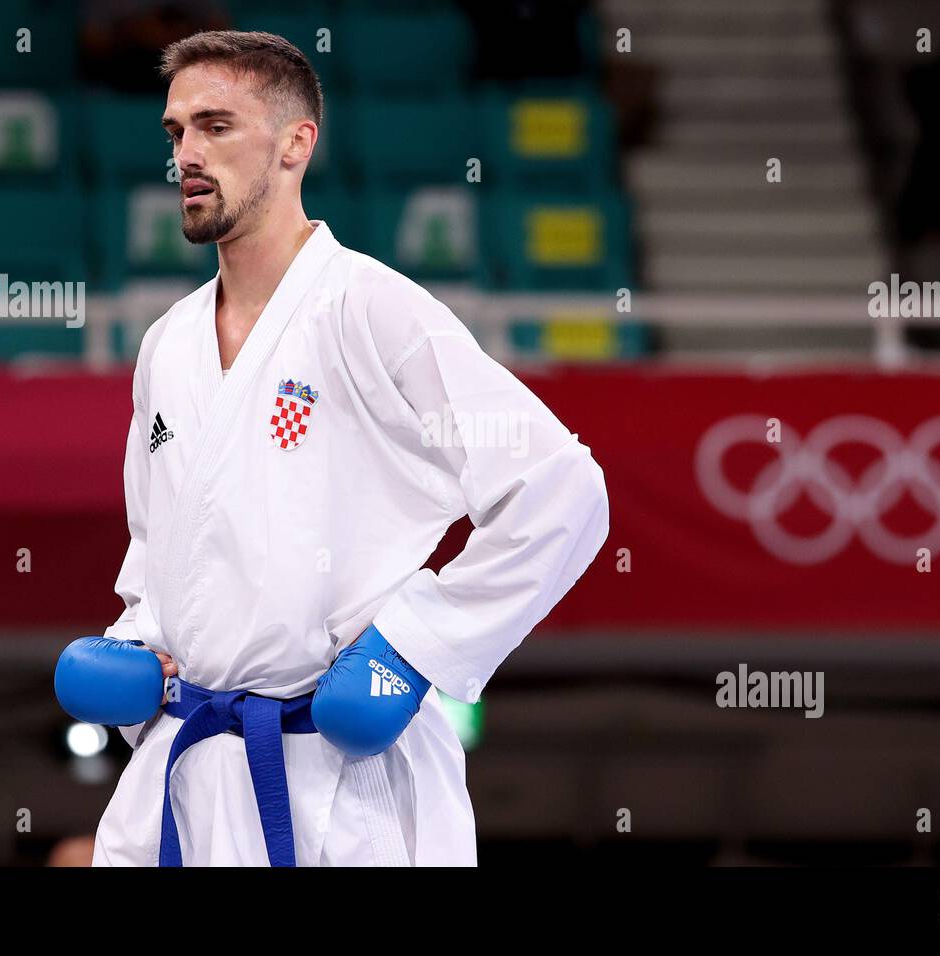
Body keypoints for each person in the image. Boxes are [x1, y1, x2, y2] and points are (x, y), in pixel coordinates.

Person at [55, 30, 609, 866]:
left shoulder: (370, 308)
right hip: (190, 771)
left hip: (342, 781)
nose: (188, 155)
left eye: (216, 126)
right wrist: (138, 647)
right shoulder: (166, 346)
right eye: (176, 133)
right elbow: (162, 559)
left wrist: (413, 647)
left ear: (294, 144)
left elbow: (565, 491)